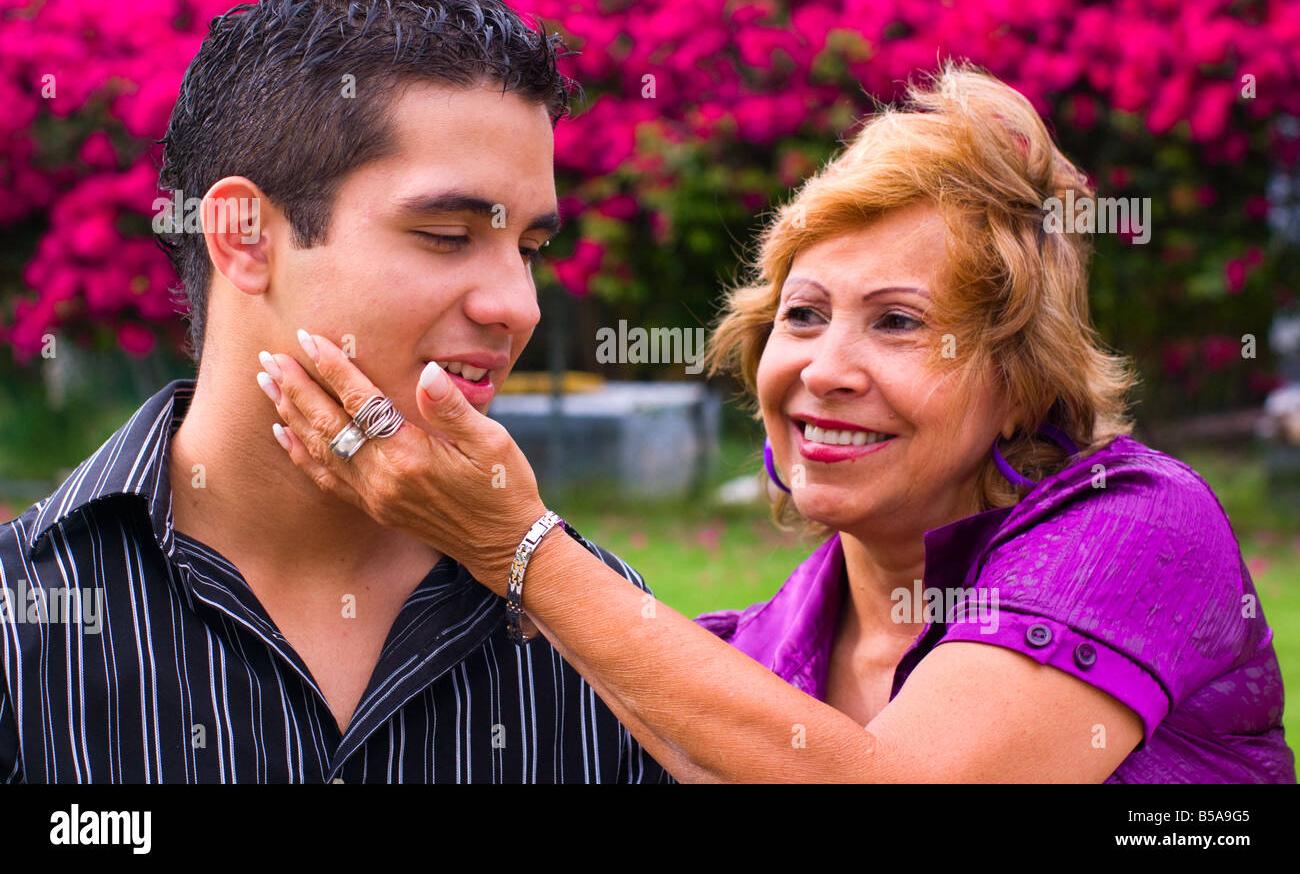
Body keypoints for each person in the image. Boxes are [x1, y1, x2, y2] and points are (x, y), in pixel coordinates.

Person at [261, 62, 1295, 783]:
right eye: (800, 317)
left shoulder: (1137, 530)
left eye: (898, 323)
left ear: (1020, 385)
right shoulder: (759, 655)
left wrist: (515, 544)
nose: (822, 370)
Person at [0, 0, 672, 783]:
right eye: (447, 237)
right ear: (245, 237)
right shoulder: (22, 620)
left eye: (529, 248)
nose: (519, 306)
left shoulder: (600, 625)